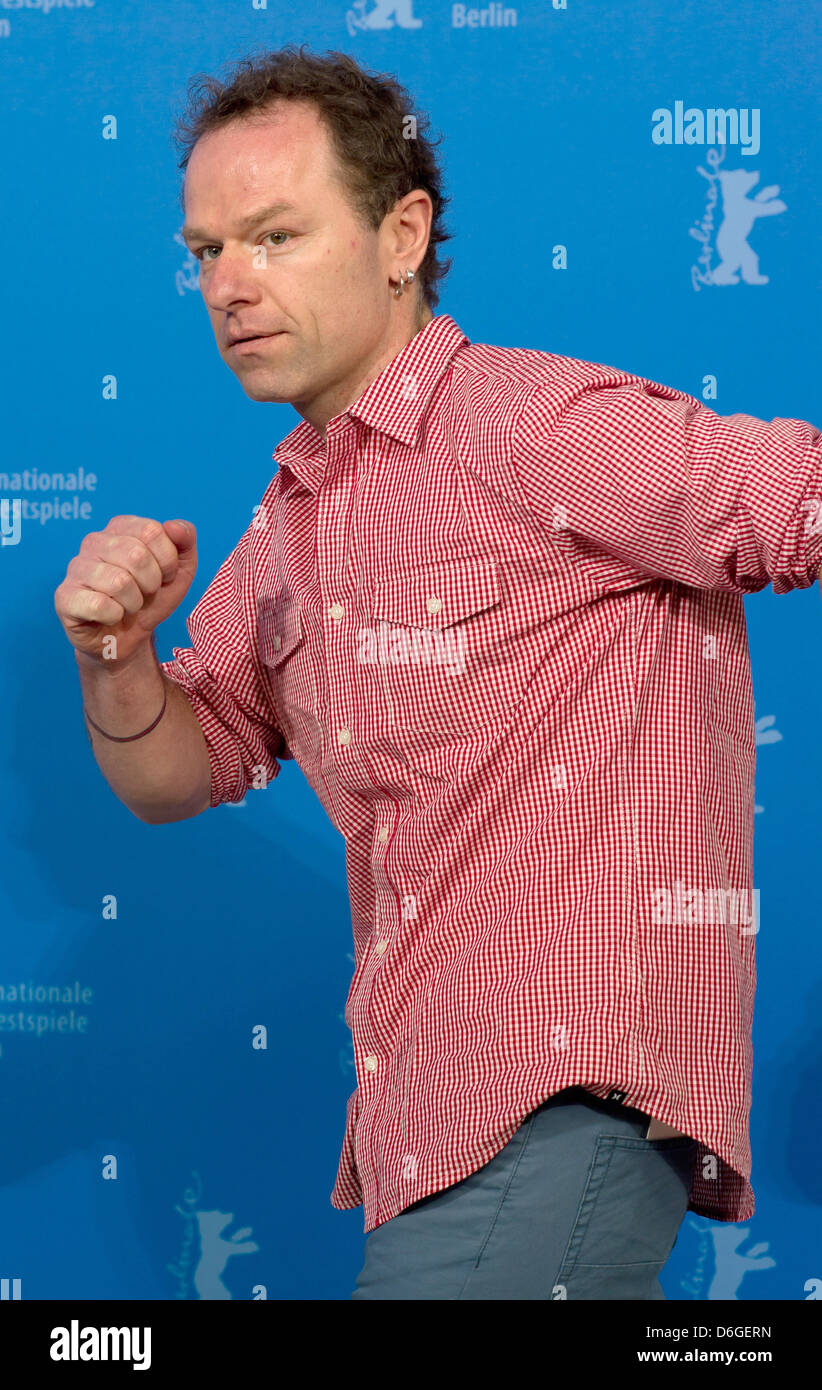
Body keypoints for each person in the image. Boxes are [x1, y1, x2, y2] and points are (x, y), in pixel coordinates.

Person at [54, 46, 822, 1300]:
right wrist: (114, 657)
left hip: (555, 1109)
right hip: (426, 1134)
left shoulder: (537, 425)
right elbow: (175, 768)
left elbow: (798, 497)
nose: (230, 287)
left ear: (401, 235)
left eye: (275, 236)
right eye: (207, 252)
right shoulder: (289, 527)